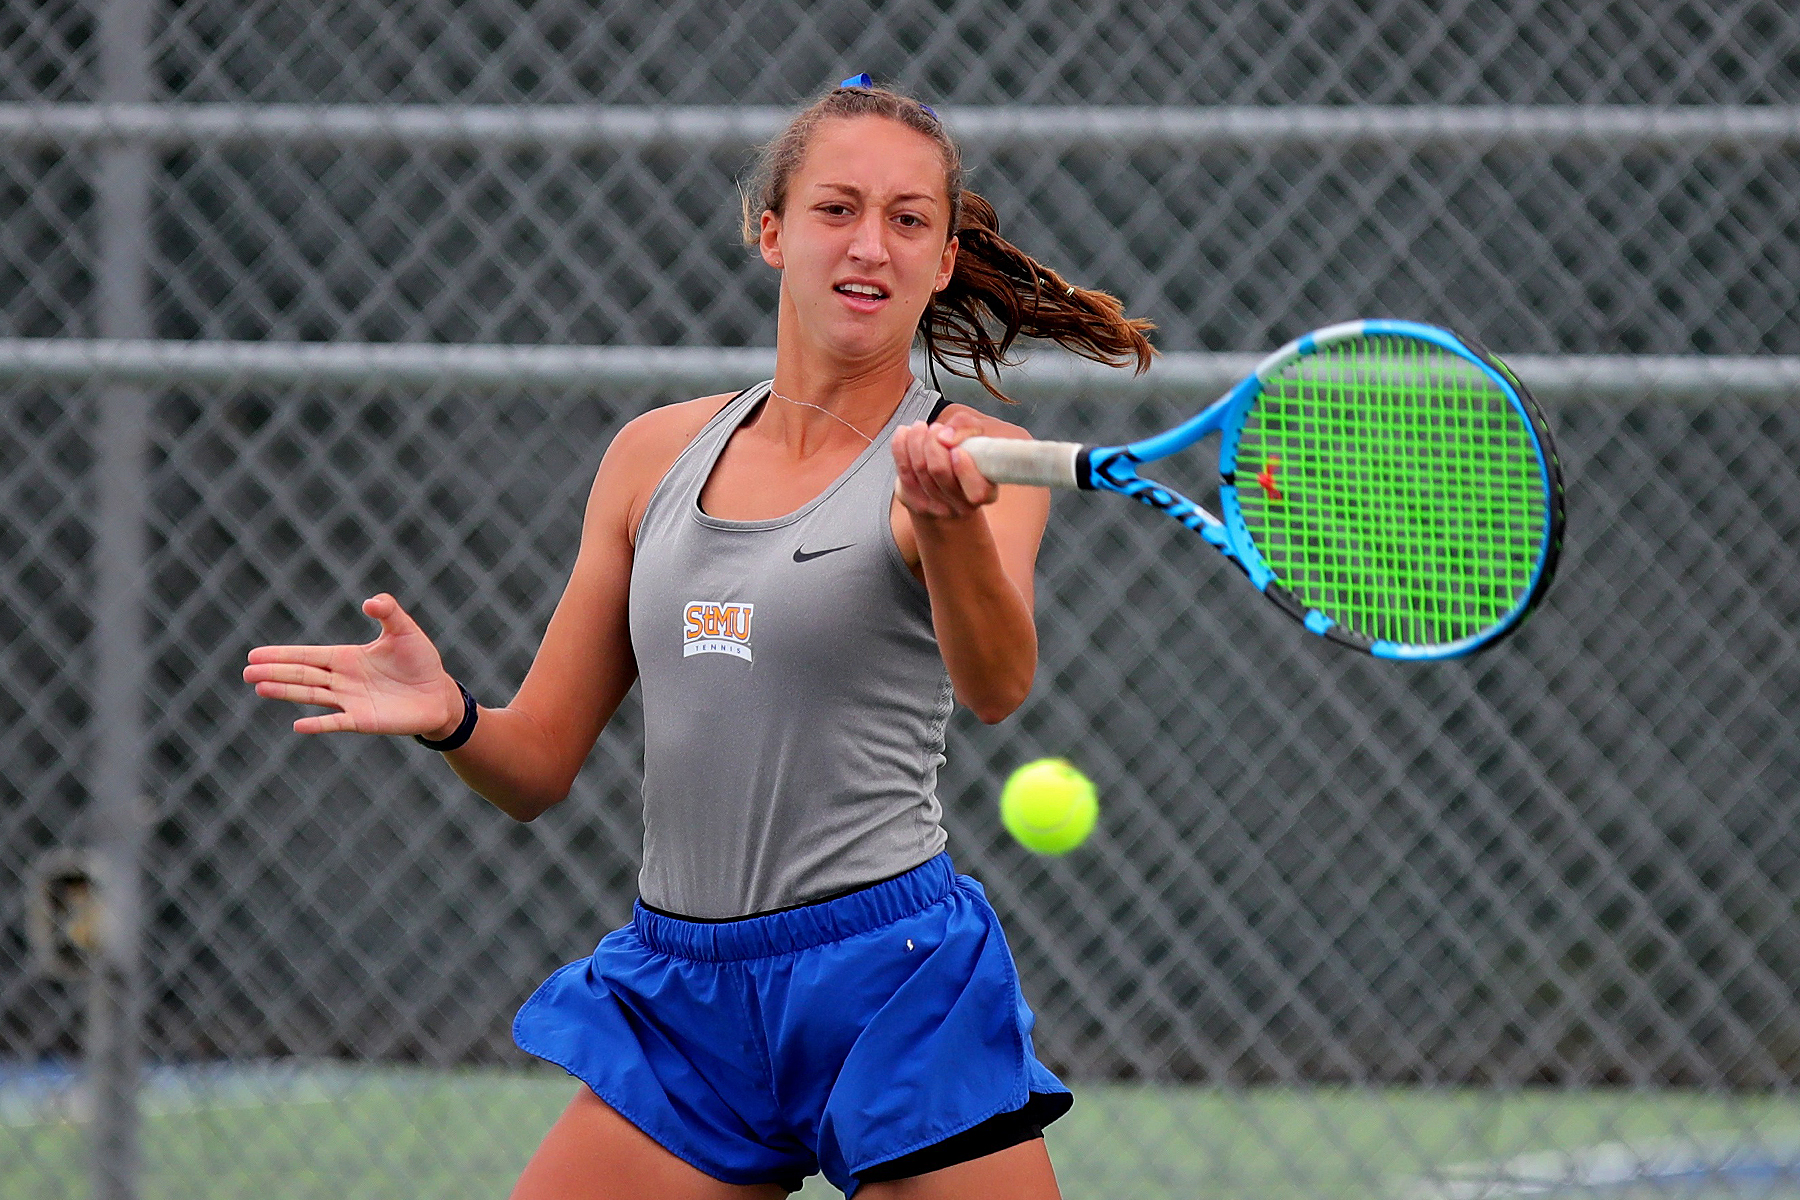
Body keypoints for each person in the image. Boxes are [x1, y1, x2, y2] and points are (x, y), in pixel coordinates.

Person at [245, 76, 1153, 1200]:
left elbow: (1000, 683)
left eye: (909, 220)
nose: (870, 244)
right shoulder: (651, 458)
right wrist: (453, 718)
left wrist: (947, 528)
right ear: (771, 232)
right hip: (686, 1001)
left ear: (944, 259)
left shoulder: (976, 459)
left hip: (892, 986)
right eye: (837, 209)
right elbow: (533, 771)